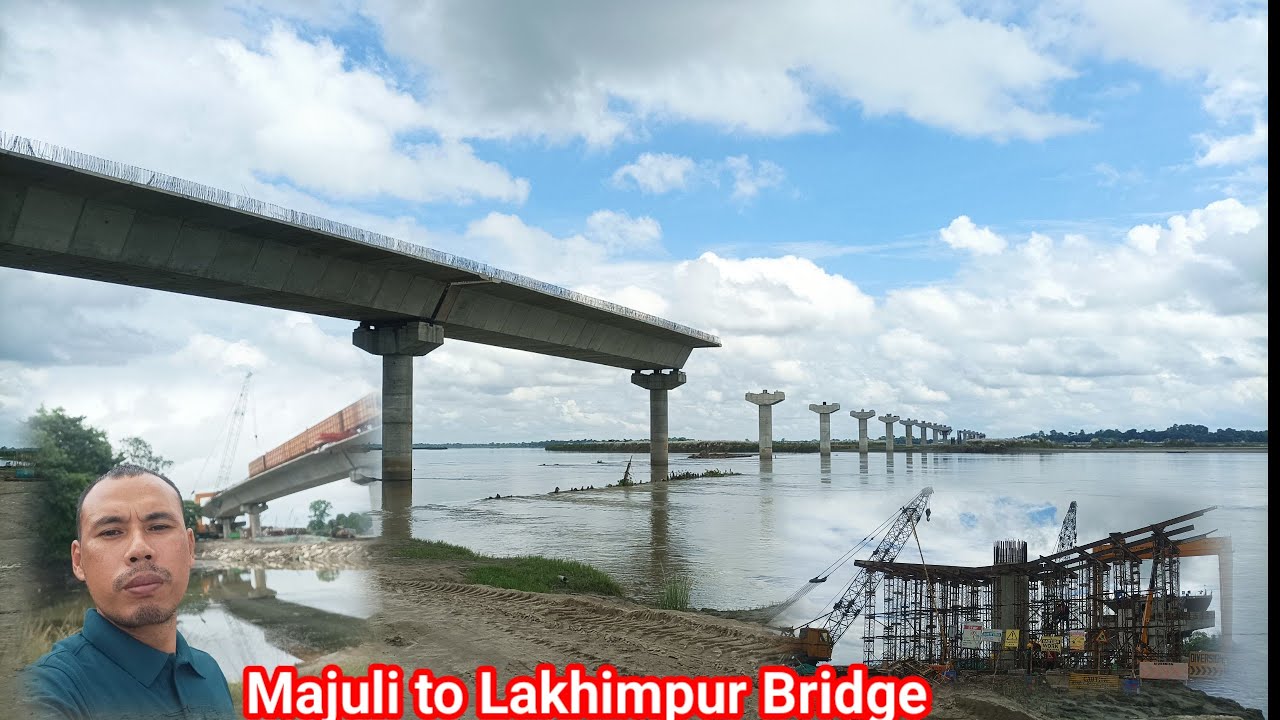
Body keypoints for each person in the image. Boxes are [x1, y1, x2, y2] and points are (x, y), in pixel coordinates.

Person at [24, 464, 235, 719]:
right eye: (111, 532)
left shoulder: (208, 671)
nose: (139, 549)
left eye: (158, 527)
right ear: (78, 561)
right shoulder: (52, 691)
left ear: (190, 547)